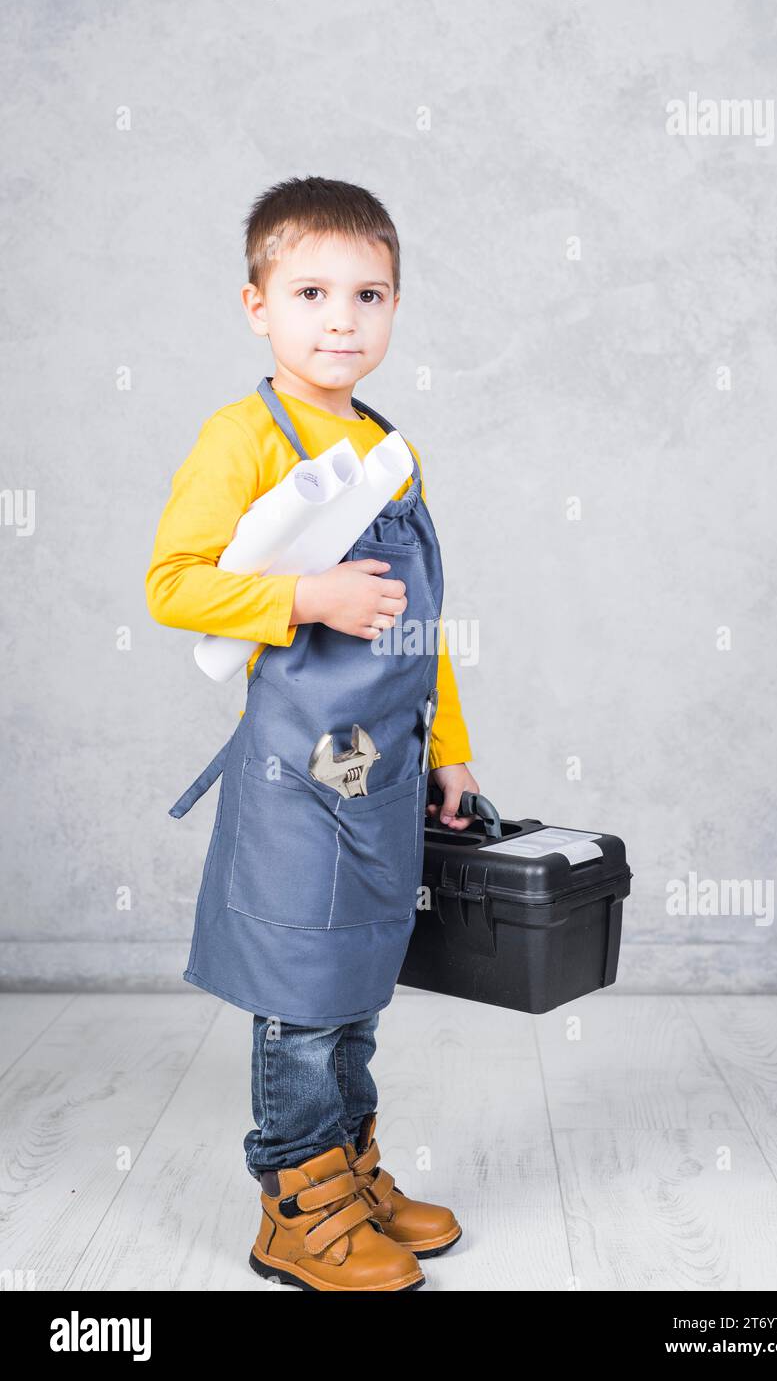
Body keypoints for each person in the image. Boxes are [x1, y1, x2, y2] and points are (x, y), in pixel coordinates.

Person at [145, 175, 479, 1291]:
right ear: (257, 306)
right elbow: (173, 584)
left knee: (355, 986)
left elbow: (421, 628)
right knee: (300, 993)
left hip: (381, 777)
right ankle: (296, 1203)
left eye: (370, 295)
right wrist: (305, 598)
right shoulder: (242, 436)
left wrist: (448, 748)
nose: (343, 319)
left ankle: (350, 1171)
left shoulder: (391, 447)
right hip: (299, 780)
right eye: (312, 291)